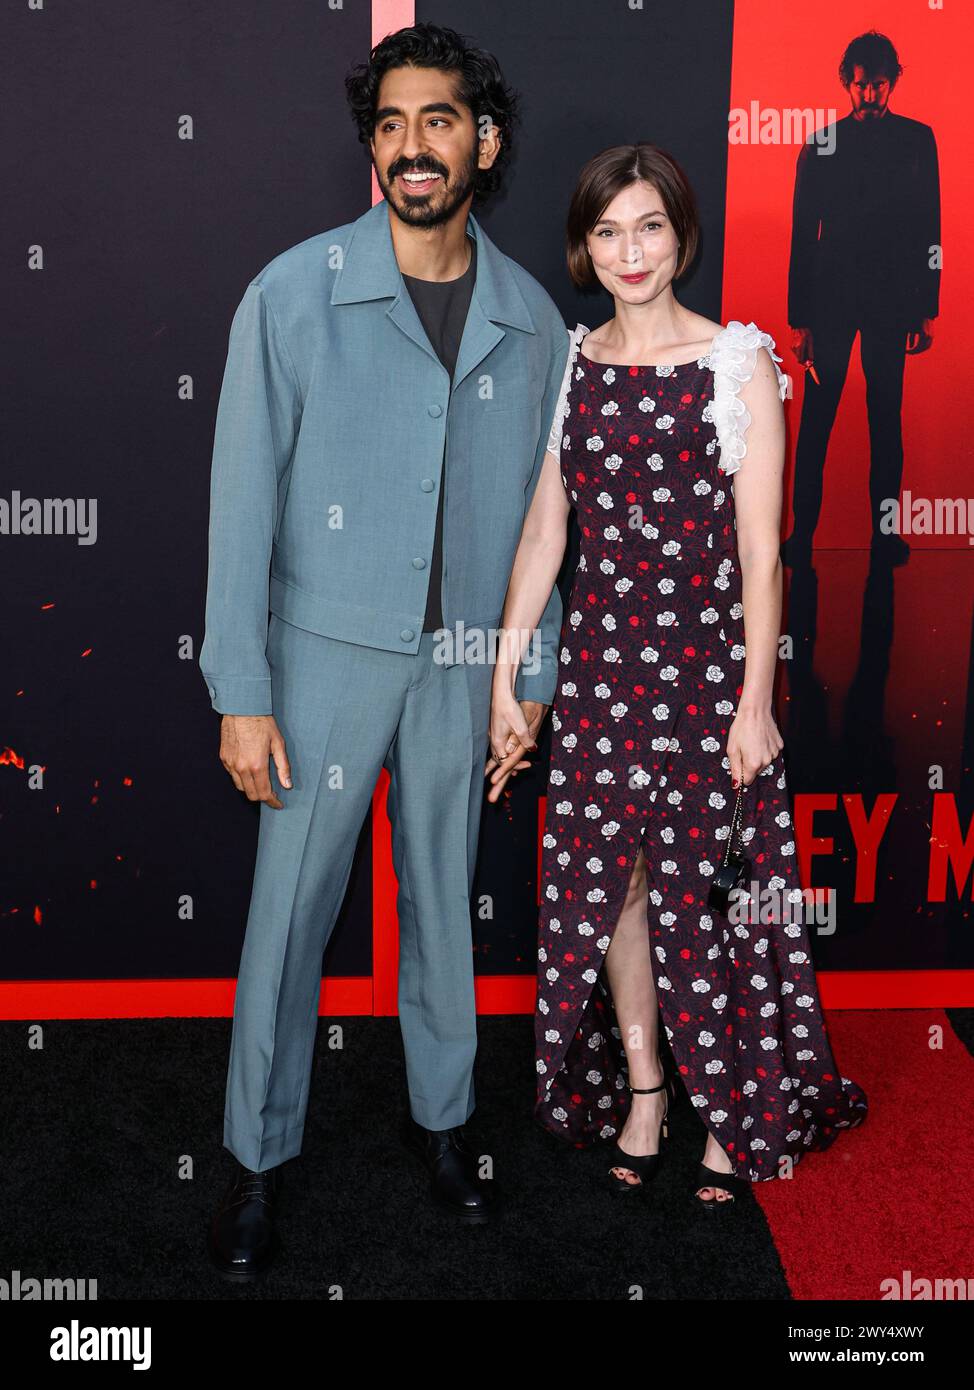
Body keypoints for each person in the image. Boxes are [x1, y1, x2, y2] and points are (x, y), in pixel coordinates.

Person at [200, 23, 568, 1279]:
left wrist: (528, 678)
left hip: (465, 666)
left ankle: (447, 1124)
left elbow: (541, 526)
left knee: (444, 911)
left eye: (441, 119)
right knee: (287, 916)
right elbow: (240, 509)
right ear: (374, 146)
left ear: (485, 139)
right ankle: (254, 1156)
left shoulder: (531, 318)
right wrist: (241, 692)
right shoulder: (291, 294)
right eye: (393, 123)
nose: (416, 145)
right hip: (321, 663)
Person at [486, 143, 868, 1208]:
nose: (628, 251)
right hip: (605, 672)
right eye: (606, 231)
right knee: (617, 890)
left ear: (678, 233)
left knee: (714, 891)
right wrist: (505, 679)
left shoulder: (737, 361)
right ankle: (647, 1090)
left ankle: (729, 1106)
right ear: (583, 248)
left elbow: (761, 553)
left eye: (646, 225)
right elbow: (540, 539)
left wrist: (754, 703)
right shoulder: (576, 361)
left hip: (706, 674)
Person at [782, 30, 940, 567]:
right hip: (830, 300)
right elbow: (803, 232)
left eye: (877, 86)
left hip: (892, 299)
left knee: (885, 416)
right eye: (859, 87)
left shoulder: (919, 139)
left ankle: (885, 536)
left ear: (893, 82)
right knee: (818, 418)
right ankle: (801, 535)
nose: (868, 96)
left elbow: (928, 227)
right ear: (845, 84)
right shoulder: (820, 143)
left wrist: (925, 306)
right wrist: (800, 321)